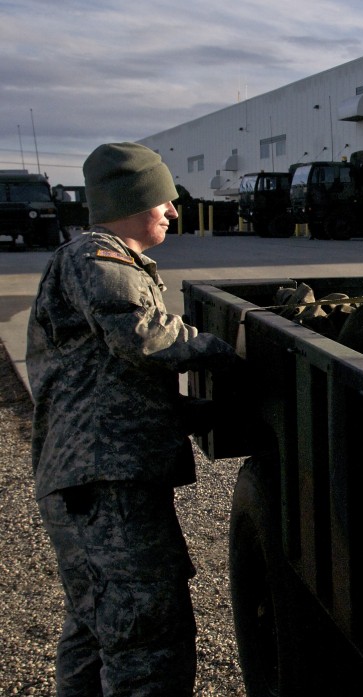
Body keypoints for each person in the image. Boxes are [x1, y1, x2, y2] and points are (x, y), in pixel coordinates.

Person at [27, 142, 239, 696]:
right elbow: (141, 336)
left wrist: (193, 413)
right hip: (105, 485)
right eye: (164, 200)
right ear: (132, 200)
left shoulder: (95, 259)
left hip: (96, 481)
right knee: (147, 639)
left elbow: (112, 386)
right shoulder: (94, 255)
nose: (172, 212)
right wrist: (226, 347)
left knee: (98, 629)